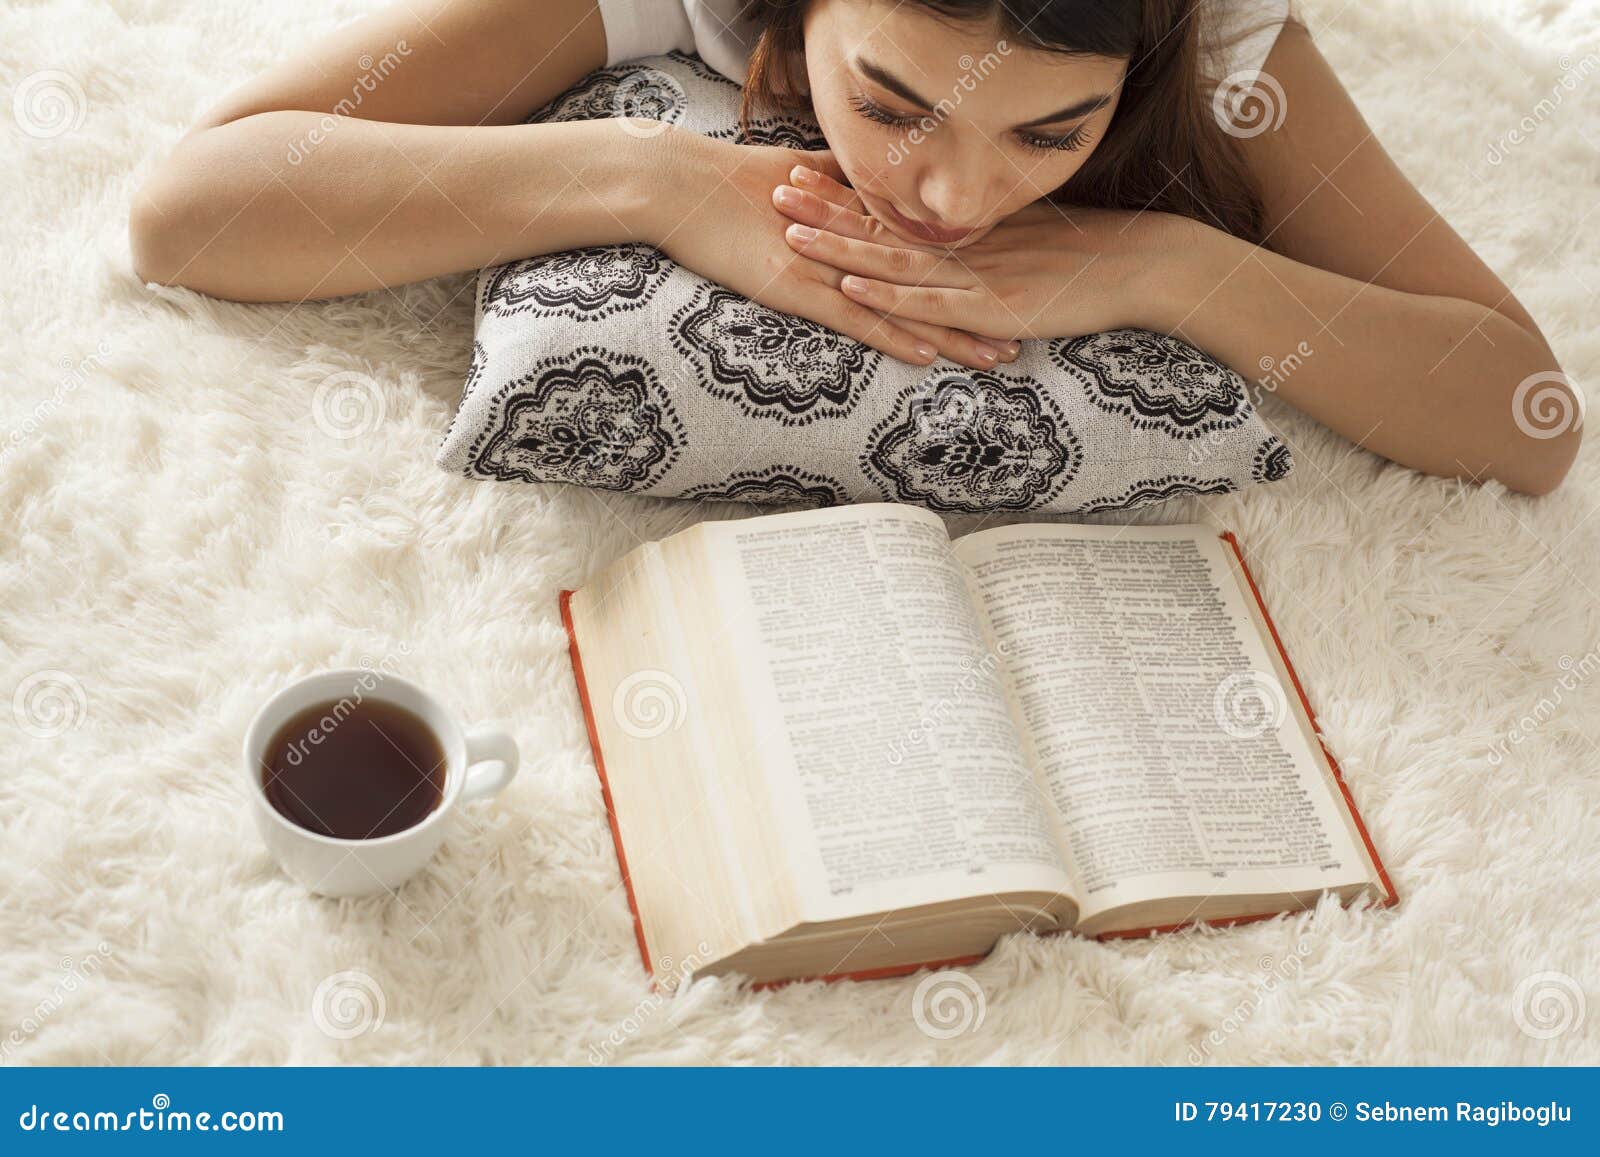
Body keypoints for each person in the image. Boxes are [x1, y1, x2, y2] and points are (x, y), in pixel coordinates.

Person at [129, 0, 1580, 493]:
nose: (949, 201)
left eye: (1048, 135)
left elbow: (1526, 415)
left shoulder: (1217, 38)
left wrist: (1170, 265)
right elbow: (190, 203)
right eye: (890, 107)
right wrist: (652, 177)